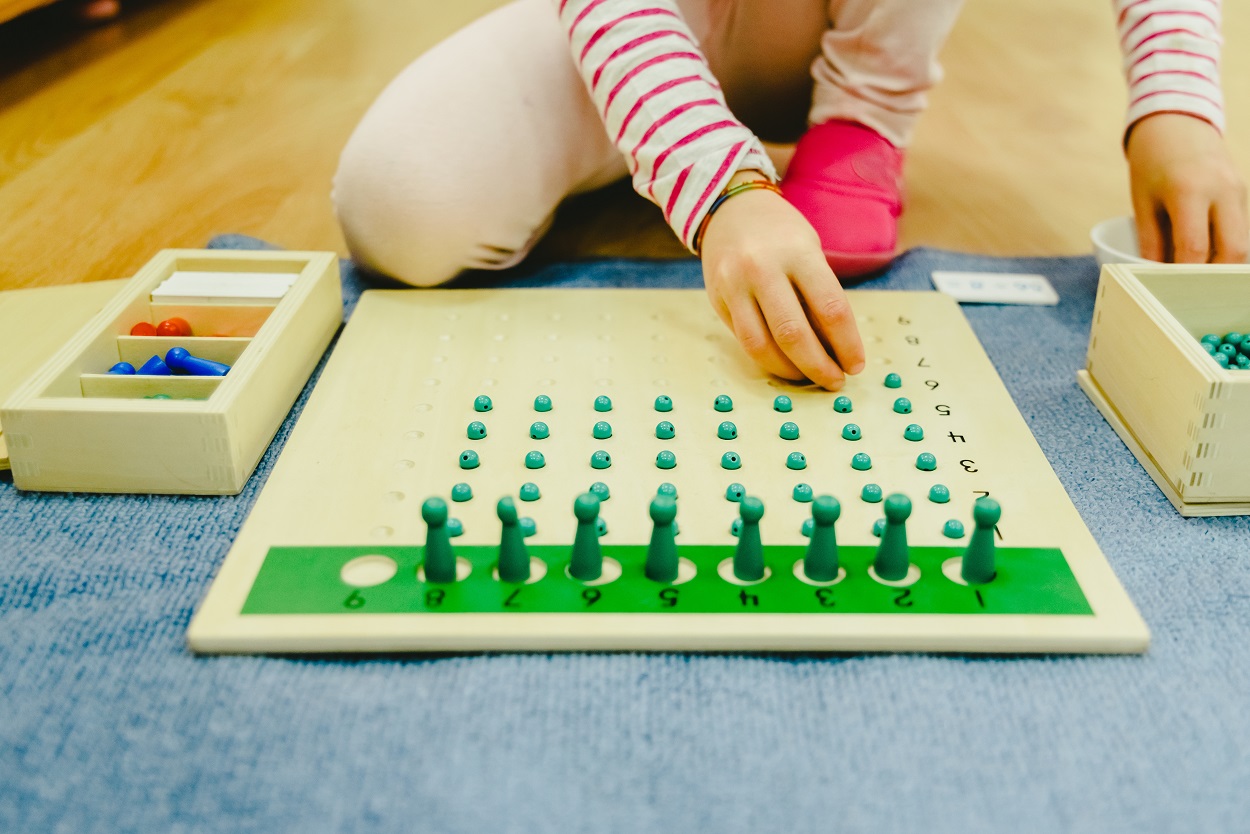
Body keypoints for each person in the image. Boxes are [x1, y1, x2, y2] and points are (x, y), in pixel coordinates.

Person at [333, 0, 1247, 391]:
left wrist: (1175, 106)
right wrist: (718, 184)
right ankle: (655, 114)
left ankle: (863, 117)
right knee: (400, 203)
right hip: (651, 17)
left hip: (851, 27)